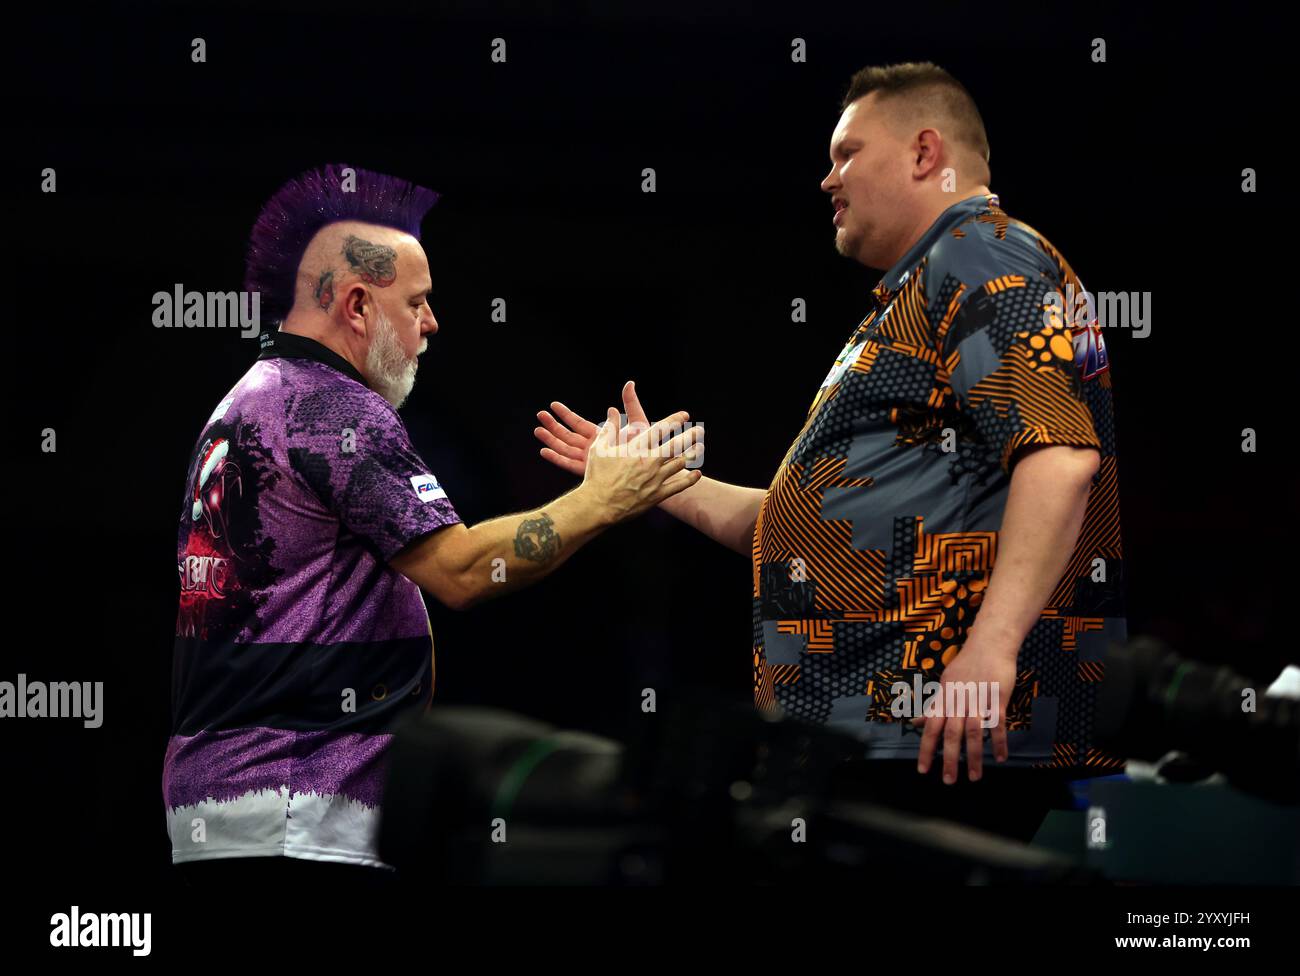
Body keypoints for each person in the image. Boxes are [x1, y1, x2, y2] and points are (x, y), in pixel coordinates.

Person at [535, 63, 1125, 843]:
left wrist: (990, 651)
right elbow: (803, 528)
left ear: (924, 153)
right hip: (881, 732)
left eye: (846, 154)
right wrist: (661, 483)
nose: (826, 180)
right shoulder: (924, 289)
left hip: (936, 732)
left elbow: (1058, 457)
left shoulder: (983, 254)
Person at [167, 163, 703, 888]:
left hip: (236, 810)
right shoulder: (332, 410)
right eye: (416, 302)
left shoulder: (245, 402)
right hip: (300, 818)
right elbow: (462, 571)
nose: (431, 323)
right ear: (357, 305)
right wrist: (605, 497)